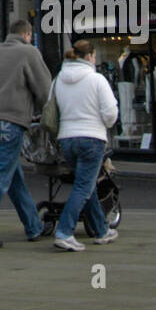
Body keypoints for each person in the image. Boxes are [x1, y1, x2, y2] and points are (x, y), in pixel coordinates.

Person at [0, 18, 53, 247]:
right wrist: (50, 116)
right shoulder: (29, 52)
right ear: (27, 35)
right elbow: (46, 92)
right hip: (11, 122)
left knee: (13, 177)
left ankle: (34, 226)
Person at [53, 39, 120, 251]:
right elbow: (110, 114)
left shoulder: (59, 79)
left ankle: (101, 229)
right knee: (84, 185)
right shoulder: (96, 79)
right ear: (90, 57)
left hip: (67, 139)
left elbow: (51, 107)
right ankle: (64, 232)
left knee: (85, 185)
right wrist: (105, 123)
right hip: (92, 138)